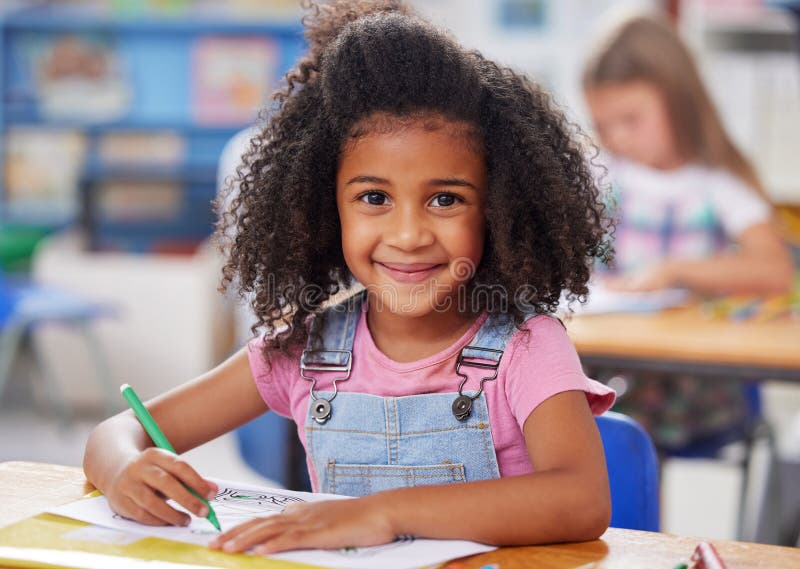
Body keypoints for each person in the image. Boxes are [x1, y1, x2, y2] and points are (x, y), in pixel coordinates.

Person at [84, 0, 616, 554]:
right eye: (374, 197)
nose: (408, 234)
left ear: (500, 209)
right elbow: (115, 433)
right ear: (323, 208)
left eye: (445, 199)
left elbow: (582, 500)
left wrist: (382, 514)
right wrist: (124, 469)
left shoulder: (527, 350)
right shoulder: (303, 351)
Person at [582, 14, 794, 449]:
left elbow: (774, 271)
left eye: (632, 119)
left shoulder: (717, 184)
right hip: (615, 364)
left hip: (692, 388)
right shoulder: (606, 177)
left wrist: (676, 271)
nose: (617, 137)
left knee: (610, 430)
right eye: (604, 125)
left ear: (677, 101)